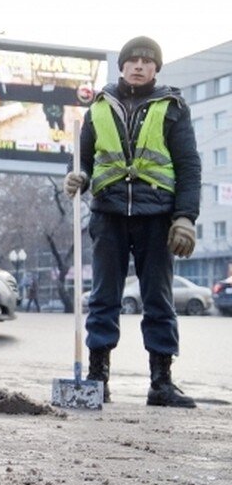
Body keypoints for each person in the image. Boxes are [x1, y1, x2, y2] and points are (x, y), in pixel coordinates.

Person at [64, 36, 200, 408]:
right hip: (108, 215)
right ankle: (97, 379)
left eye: (147, 61)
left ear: (156, 69)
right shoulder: (99, 108)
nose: (139, 65)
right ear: (122, 67)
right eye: (132, 60)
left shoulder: (173, 108)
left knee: (158, 299)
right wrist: (76, 175)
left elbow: (189, 166)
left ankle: (161, 382)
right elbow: (83, 158)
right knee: (104, 298)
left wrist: (185, 217)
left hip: (156, 217)